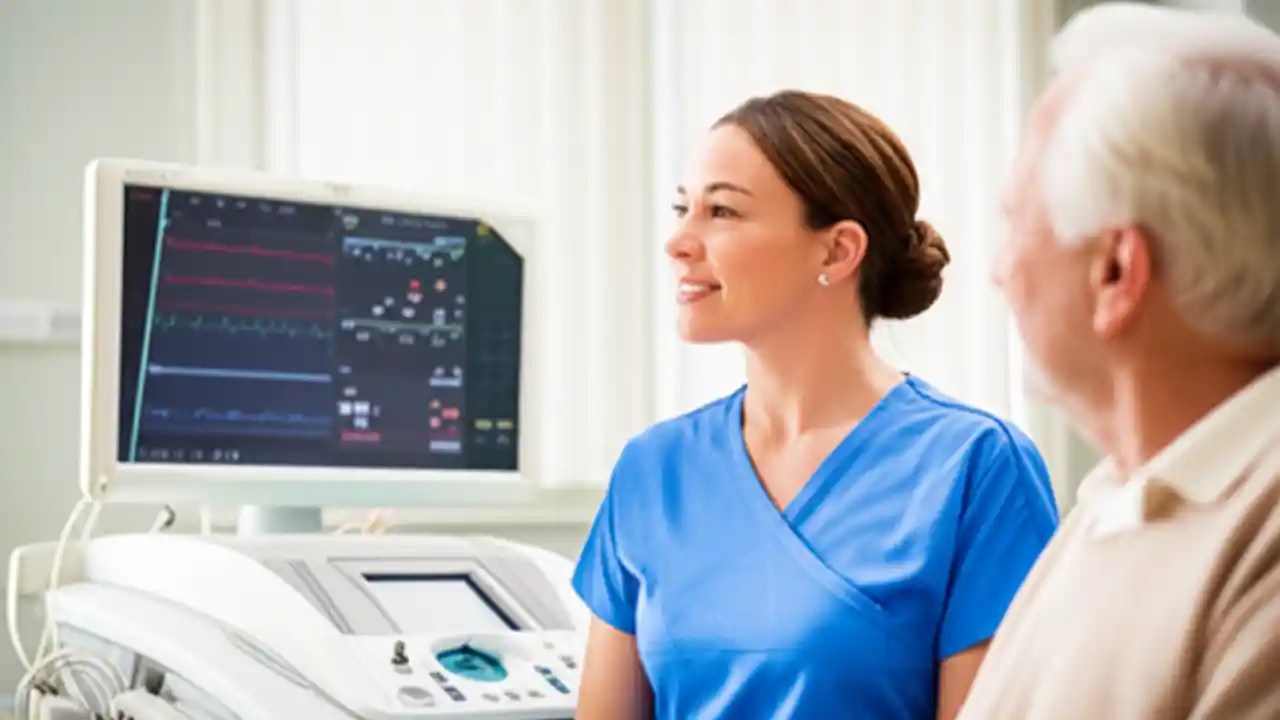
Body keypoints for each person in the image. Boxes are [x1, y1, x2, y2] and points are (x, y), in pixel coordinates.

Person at [571, 90, 1059, 720]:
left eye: (721, 211)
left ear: (836, 251)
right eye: (682, 207)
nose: (679, 241)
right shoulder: (652, 470)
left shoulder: (975, 466)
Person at [961, 4, 1280, 719]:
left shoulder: (1262, 534)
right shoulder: (1113, 500)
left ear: (1114, 272)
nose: (998, 270)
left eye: (1016, 224)